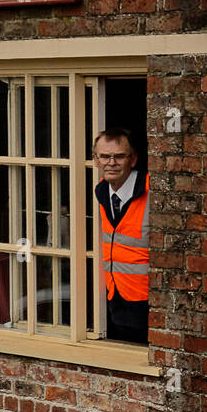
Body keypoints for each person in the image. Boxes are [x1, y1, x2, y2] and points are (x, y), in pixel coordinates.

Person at [93, 127, 150, 344]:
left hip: (148, 305)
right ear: (96, 160)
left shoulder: (152, 192)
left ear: (133, 159)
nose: (111, 162)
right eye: (105, 156)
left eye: (119, 156)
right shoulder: (102, 191)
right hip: (115, 302)